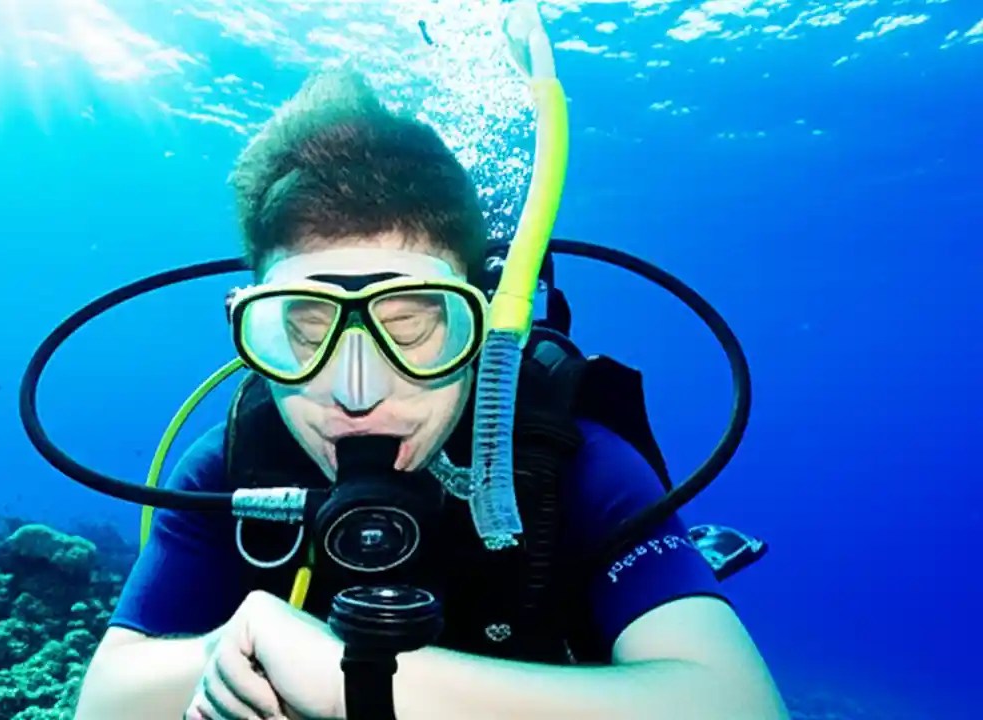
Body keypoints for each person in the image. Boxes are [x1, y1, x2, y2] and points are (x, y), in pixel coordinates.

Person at [73, 7, 789, 720]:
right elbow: (103, 704)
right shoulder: (236, 466)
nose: (357, 391)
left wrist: (353, 678)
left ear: (481, 330)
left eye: (410, 327)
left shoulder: (565, 461)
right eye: (305, 329)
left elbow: (744, 707)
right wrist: (217, 654)